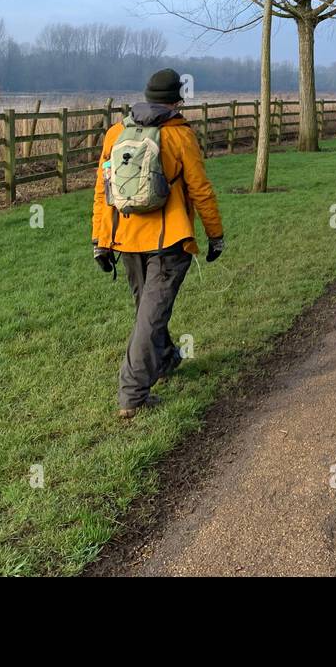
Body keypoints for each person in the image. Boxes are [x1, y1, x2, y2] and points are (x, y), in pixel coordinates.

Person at [92, 68, 224, 420]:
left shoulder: (116, 133)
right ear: (177, 100)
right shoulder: (180, 136)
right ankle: (132, 394)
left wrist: (101, 241)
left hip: (127, 237)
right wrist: (215, 235)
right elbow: (200, 189)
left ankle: (165, 359)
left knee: (149, 312)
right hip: (170, 240)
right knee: (151, 316)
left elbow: (103, 192)